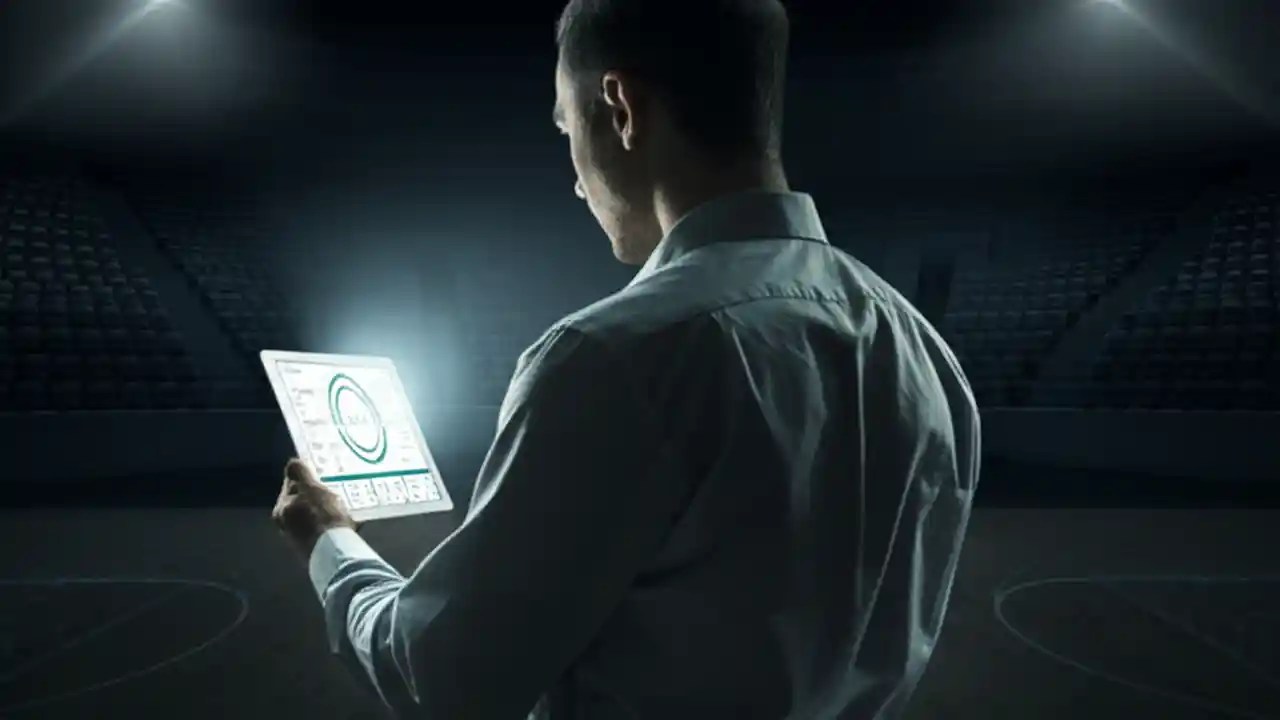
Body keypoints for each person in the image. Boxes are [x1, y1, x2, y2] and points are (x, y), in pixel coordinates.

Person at [271, 0, 981, 717]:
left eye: (565, 127)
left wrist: (329, 542)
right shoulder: (925, 354)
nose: (576, 179)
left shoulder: (614, 357)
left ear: (621, 107)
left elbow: (445, 679)